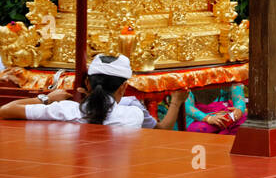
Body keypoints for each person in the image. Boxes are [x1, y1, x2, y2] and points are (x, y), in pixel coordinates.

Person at [1, 54, 183, 129]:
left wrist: (47, 99)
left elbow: (6, 110)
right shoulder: (133, 113)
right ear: (124, 88)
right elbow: (161, 129)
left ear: (87, 84)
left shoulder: (64, 110)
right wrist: (176, 102)